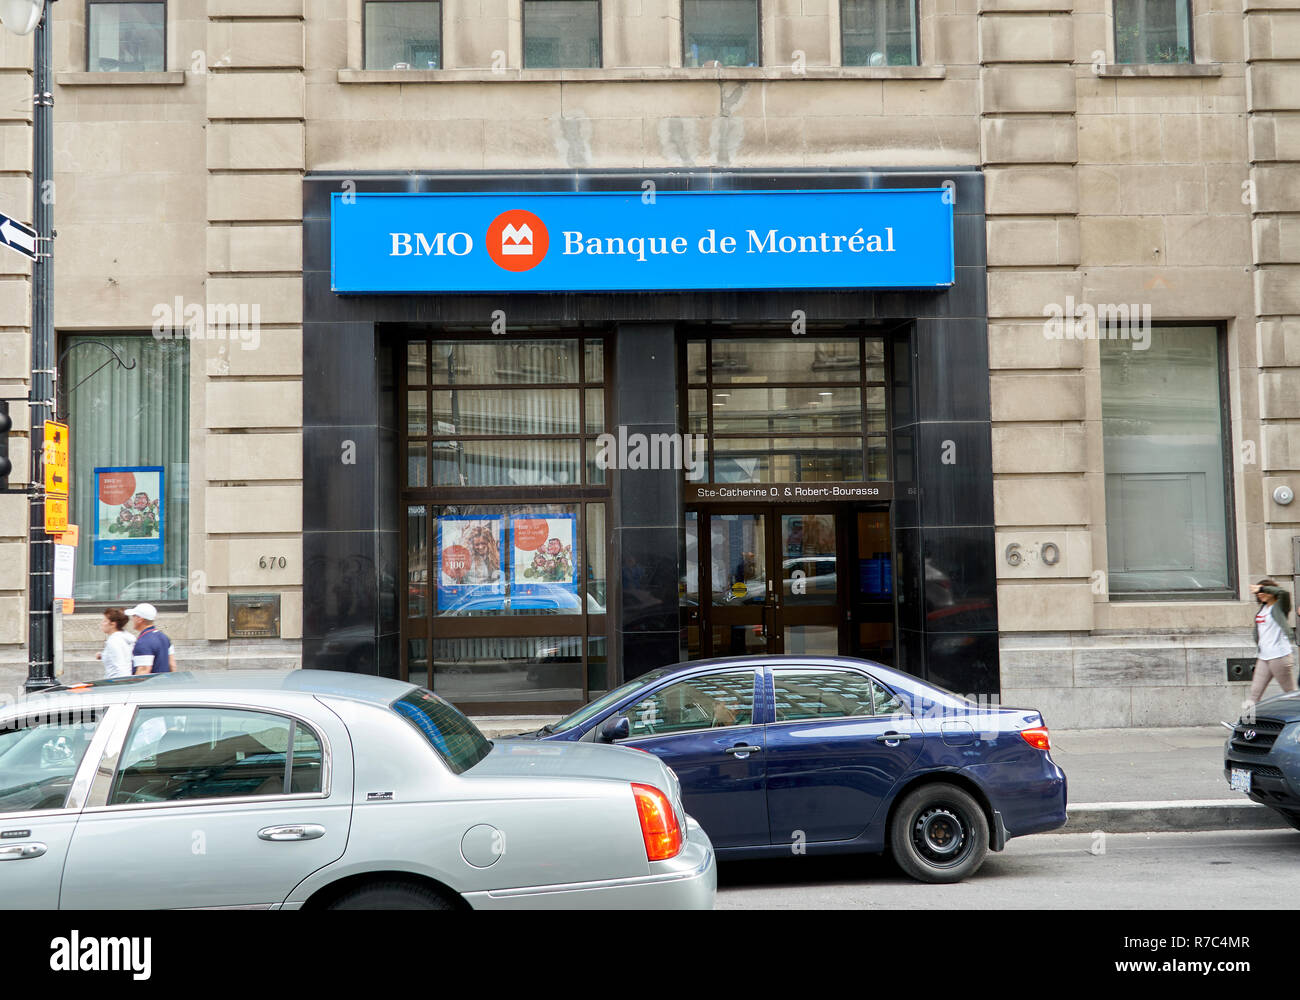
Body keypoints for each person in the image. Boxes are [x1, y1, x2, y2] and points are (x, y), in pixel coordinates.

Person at [1245, 578, 1296, 712]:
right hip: (1264, 657)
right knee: (1254, 693)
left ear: (1270, 591)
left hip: (1279, 656)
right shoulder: (1262, 609)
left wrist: (1262, 588)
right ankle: (1246, 723)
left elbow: (1283, 592)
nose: (1259, 594)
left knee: (1290, 693)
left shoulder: (1280, 607)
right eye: (1258, 592)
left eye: (1263, 591)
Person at [125, 603, 176, 674]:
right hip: (165, 683)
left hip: (152, 684)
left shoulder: (143, 642)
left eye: (134, 616)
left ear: (140, 619)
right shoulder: (164, 637)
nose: (132, 619)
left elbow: (143, 670)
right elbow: (172, 665)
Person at [96, 607, 135, 680]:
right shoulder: (124, 637)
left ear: (113, 624)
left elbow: (121, 666)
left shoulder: (114, 641)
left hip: (115, 682)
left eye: (105, 621)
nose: (102, 623)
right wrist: (102, 655)